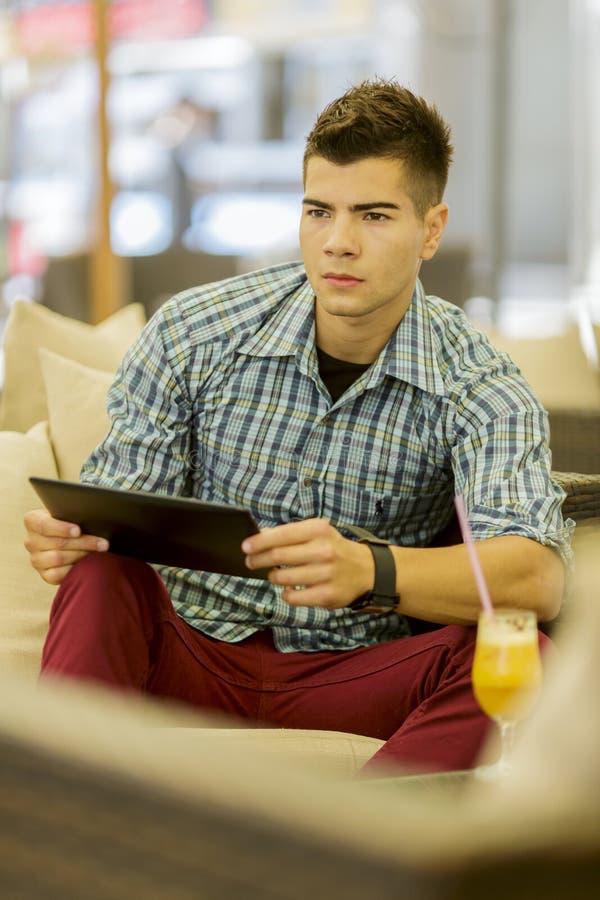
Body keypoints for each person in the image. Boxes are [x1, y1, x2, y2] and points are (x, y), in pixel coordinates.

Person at [24, 79, 569, 775]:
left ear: (431, 230)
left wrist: (370, 569)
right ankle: (61, 817)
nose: (338, 243)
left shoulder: (479, 383)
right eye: (319, 211)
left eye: (374, 216)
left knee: (524, 658)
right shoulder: (195, 331)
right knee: (101, 575)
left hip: (351, 673)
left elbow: (536, 578)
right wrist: (75, 538)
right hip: (188, 655)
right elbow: (116, 515)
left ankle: (362, 838)